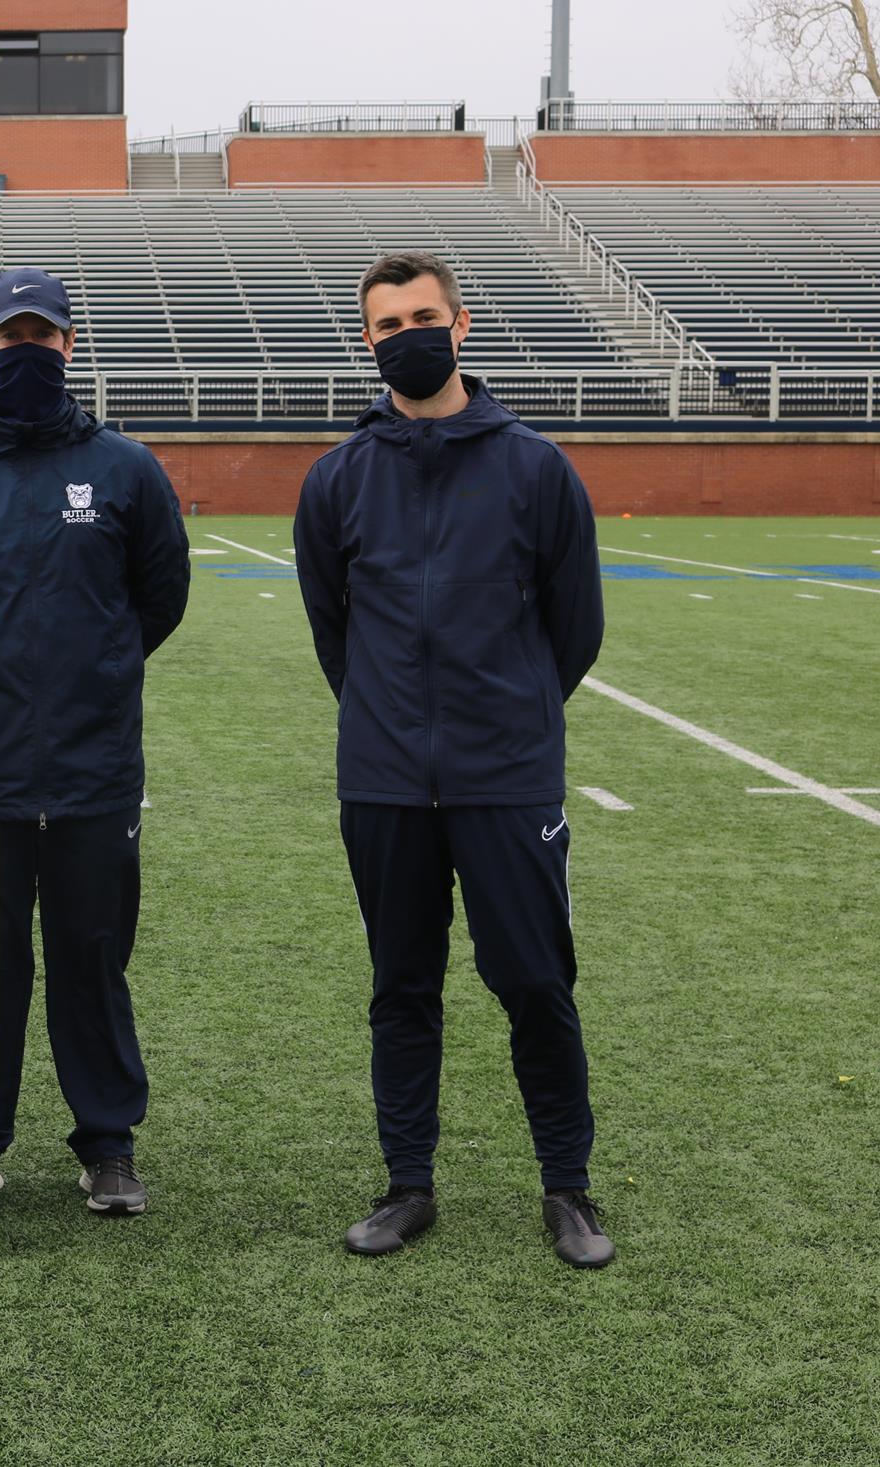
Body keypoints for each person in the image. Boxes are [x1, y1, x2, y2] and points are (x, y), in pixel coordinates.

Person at [292, 250, 613, 1270]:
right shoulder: (337, 477)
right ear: (367, 341)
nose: (405, 336)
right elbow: (332, 633)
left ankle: (566, 1188)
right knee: (401, 986)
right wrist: (391, 721)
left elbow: (576, 630)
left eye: (421, 317)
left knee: (532, 983)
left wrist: (505, 718)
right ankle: (406, 1184)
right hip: (382, 781)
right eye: (386, 325)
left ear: (461, 325)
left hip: (505, 778)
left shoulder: (534, 468)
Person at [0, 267, 191, 1216]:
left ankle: (107, 1143)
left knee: (91, 955)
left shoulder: (126, 468)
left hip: (94, 769)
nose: (28, 350)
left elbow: (160, 598)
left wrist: (92, 672)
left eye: (45, 336)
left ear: (70, 346)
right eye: (10, 336)